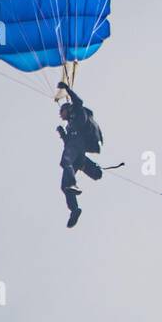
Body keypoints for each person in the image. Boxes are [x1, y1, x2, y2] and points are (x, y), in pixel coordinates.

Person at [56, 81, 103, 228]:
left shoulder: (77, 112)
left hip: (78, 147)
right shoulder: (70, 126)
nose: (60, 115)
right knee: (64, 186)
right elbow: (68, 143)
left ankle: (74, 184)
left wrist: (67, 89)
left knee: (65, 162)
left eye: (61, 112)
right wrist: (63, 134)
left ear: (66, 109)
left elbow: (79, 101)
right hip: (77, 152)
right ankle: (74, 210)